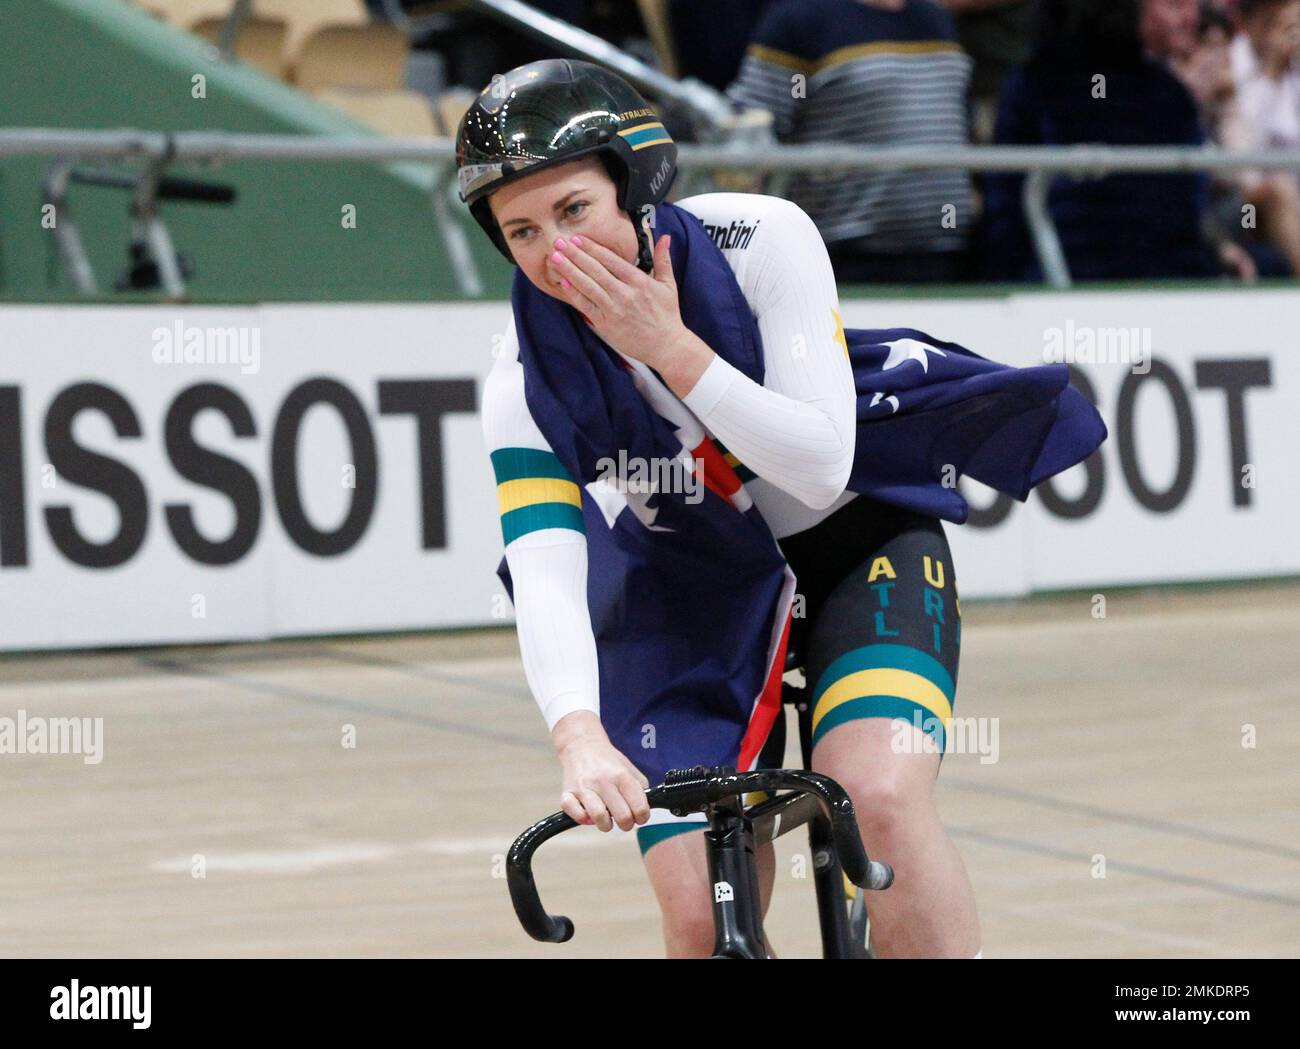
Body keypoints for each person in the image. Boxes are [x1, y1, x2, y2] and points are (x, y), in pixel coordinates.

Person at [457, 59, 1105, 958]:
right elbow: (545, 568)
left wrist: (670, 348)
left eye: (574, 210)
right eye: (523, 231)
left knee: (877, 799)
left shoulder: (761, 238)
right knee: (699, 913)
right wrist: (578, 734)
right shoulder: (521, 379)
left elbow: (818, 465)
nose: (555, 253)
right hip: (689, 592)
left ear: (634, 186)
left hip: (851, 549)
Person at [984, 0, 1242, 281]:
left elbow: (1004, 210)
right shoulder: (1169, 94)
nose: (1191, 16)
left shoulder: (1031, 82)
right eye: (1174, 3)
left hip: (1064, 281)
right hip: (1156, 281)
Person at [724, 0, 975, 284]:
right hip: (843, 255)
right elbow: (749, 133)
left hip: (948, 249)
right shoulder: (800, 20)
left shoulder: (936, 19)